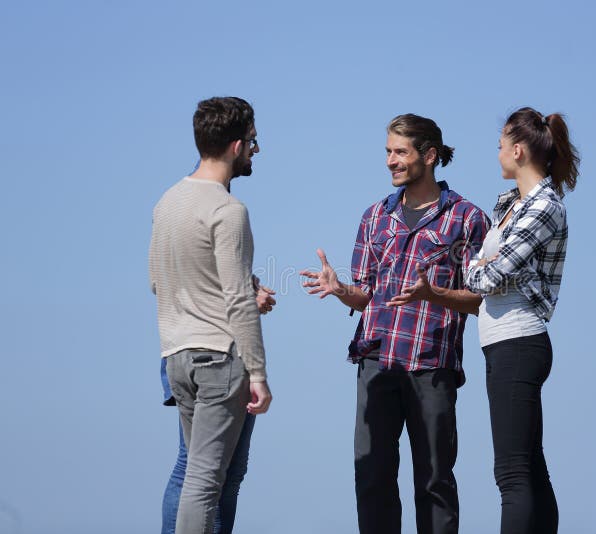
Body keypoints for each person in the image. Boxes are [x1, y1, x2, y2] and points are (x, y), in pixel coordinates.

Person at [300, 114, 489, 534]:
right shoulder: (374, 218)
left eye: (400, 152)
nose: (390, 161)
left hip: (431, 365)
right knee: (372, 480)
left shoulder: (467, 219)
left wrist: (433, 295)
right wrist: (339, 289)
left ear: (430, 155)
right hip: (375, 362)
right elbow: (365, 294)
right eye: (387, 151)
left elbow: (481, 301)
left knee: (434, 481)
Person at [149, 96, 273, 534]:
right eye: (254, 142)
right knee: (203, 479)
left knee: (213, 474)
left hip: (176, 353)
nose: (256, 151)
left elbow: (159, 280)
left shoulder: (168, 202)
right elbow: (237, 299)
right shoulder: (228, 210)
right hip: (220, 358)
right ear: (237, 145)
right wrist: (257, 373)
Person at [465, 107, 580, 534]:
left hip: (519, 341)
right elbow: (483, 268)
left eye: (499, 148)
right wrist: (483, 265)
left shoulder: (546, 207)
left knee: (511, 473)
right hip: (502, 344)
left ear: (517, 150)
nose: (496, 156)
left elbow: (486, 274)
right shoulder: (509, 206)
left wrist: (482, 266)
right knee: (530, 466)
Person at [160, 276, 275, 534]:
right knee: (206, 470)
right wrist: (244, 298)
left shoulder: (168, 234)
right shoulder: (221, 233)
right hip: (217, 352)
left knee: (204, 466)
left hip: (185, 346)